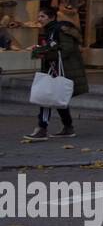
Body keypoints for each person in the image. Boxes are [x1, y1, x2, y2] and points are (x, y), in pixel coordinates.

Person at [26, 7, 88, 141]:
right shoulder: (52, 31)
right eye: (39, 16)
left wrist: (41, 52)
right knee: (58, 98)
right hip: (57, 69)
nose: (39, 19)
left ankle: (42, 129)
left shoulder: (59, 30)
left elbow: (66, 50)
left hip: (61, 69)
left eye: (42, 16)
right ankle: (68, 127)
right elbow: (56, 48)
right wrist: (41, 49)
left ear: (51, 17)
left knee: (46, 98)